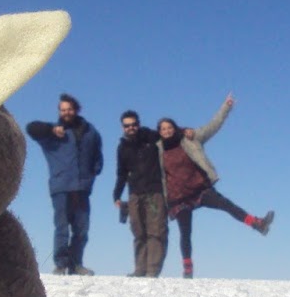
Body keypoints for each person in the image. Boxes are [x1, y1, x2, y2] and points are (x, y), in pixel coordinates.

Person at [156, 94, 273, 279]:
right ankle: (187, 269)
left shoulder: (190, 139)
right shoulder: (157, 149)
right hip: (178, 197)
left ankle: (257, 224)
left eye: (170, 127)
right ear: (159, 132)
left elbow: (213, 126)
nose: (167, 131)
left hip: (199, 189)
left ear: (175, 127)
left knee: (226, 205)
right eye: (163, 129)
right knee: (185, 233)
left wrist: (226, 107)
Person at [26, 93, 104, 275]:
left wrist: (92, 174)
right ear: (59, 111)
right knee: (62, 226)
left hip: (82, 188)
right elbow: (31, 128)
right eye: (63, 110)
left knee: (81, 228)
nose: (66, 112)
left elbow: (98, 157)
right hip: (61, 186)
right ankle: (61, 265)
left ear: (76, 109)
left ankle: (76, 264)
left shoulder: (90, 132)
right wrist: (51, 130)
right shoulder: (52, 133)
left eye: (69, 109)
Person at [112, 110, 167, 277]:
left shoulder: (151, 138)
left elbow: (170, 134)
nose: (131, 128)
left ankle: (152, 271)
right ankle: (140, 269)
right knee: (138, 232)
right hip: (134, 193)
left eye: (134, 124)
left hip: (154, 192)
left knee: (156, 231)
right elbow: (121, 173)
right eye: (127, 126)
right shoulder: (122, 147)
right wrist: (116, 195)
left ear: (139, 124)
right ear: (123, 127)